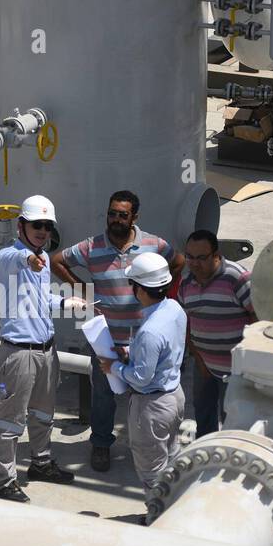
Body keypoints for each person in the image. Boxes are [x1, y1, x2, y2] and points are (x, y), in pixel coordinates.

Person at [51, 190, 184, 472]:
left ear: (134, 217)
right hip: (107, 340)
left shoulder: (153, 244)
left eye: (122, 215)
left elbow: (179, 261)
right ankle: (101, 444)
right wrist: (84, 292)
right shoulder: (92, 246)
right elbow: (57, 260)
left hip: (144, 340)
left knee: (144, 394)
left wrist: (164, 292)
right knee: (103, 396)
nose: (115, 219)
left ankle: (147, 447)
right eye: (112, 213)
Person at [0, 195, 87, 502]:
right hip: (19, 354)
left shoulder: (43, 258)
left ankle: (41, 463)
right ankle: (6, 481)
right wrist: (28, 260)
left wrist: (67, 302)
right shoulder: (10, 256)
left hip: (46, 350)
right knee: (8, 420)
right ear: (21, 226)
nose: (43, 231)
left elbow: (41, 298)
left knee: (44, 414)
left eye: (47, 226)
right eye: (37, 225)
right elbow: (14, 259)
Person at [97, 253, 186, 503]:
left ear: (139, 289)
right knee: (171, 457)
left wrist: (114, 367)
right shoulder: (175, 309)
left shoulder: (149, 331)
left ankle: (157, 515)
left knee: (152, 470)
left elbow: (140, 378)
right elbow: (165, 350)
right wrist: (130, 352)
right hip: (174, 397)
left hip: (152, 407)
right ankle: (173, 507)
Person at [176, 230, 257, 438]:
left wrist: (246, 363)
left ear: (216, 255)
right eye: (190, 257)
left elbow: (258, 319)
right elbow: (186, 324)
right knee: (203, 414)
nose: (194, 264)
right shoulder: (186, 284)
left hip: (237, 370)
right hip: (204, 367)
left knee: (233, 419)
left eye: (201, 258)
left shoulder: (238, 278)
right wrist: (199, 360)